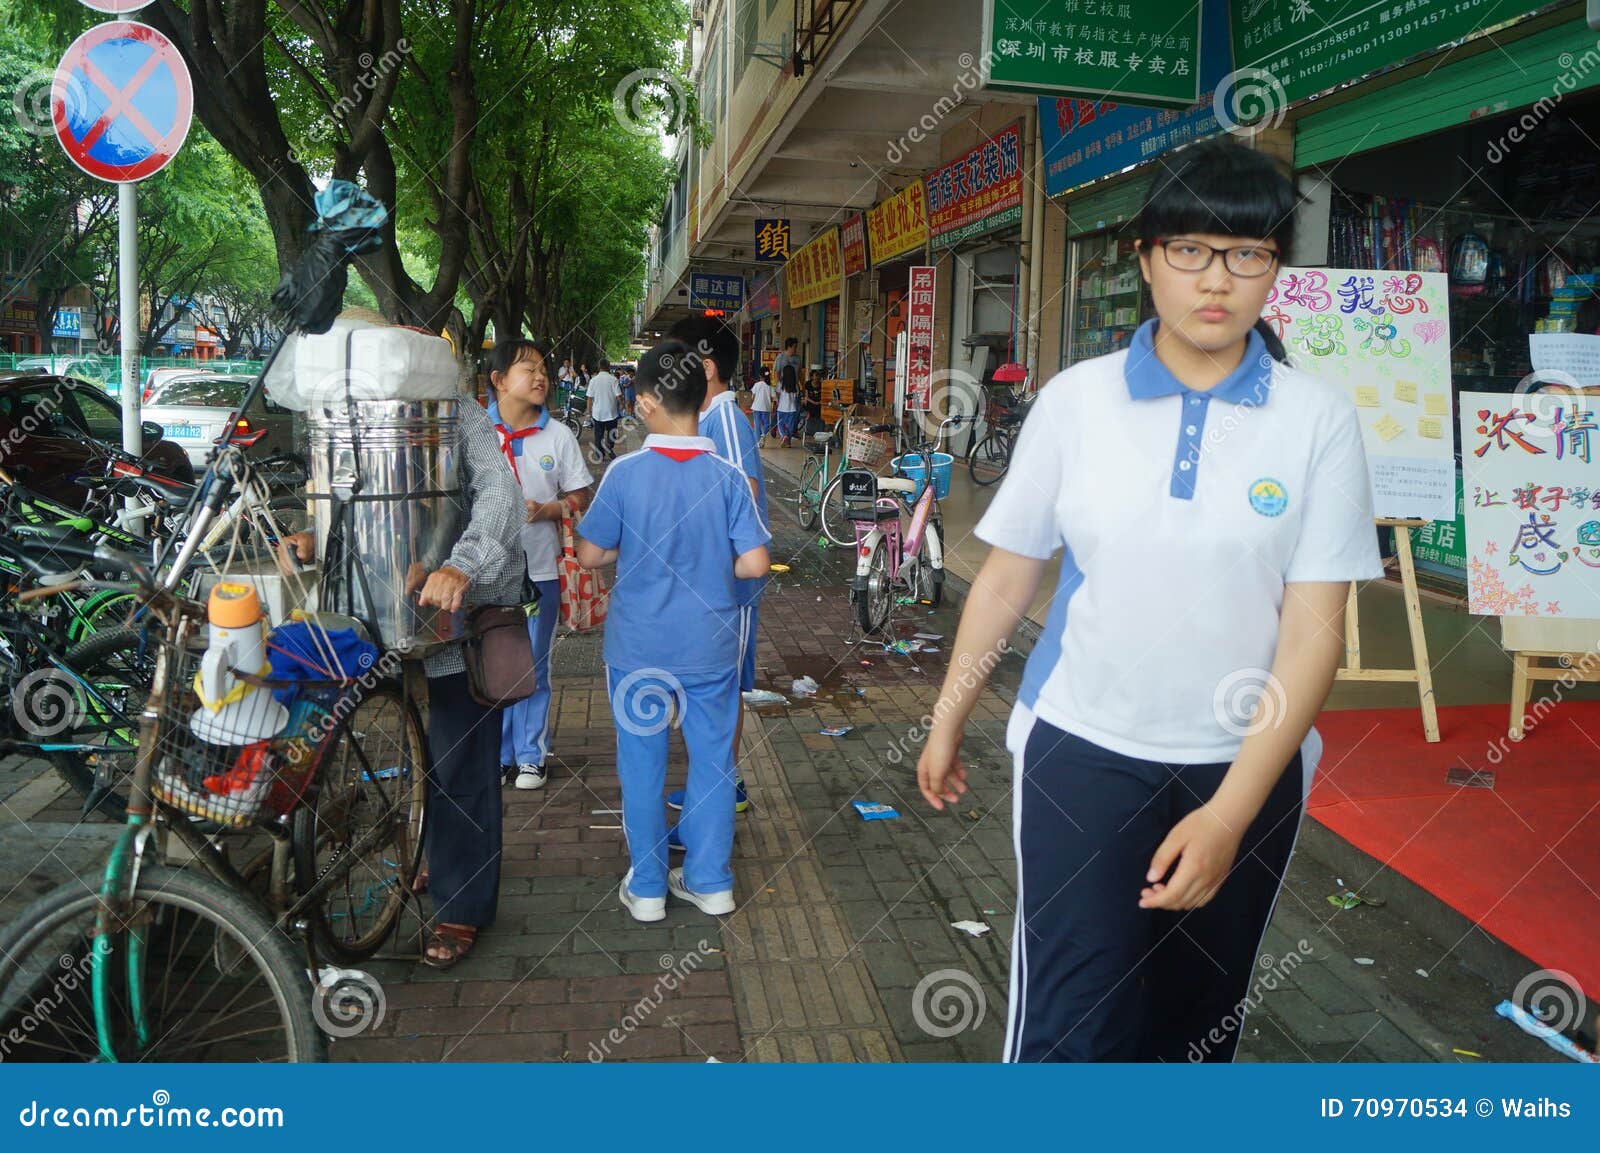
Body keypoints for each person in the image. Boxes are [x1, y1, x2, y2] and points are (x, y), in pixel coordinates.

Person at [916, 138, 1382, 1062]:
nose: (1219, 279)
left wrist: (1227, 814)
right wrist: (945, 718)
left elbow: (1313, 630)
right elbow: (1009, 576)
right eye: (1191, 250)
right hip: (1083, 751)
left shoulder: (1317, 419)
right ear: (1145, 257)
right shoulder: (1076, 402)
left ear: (1274, 268)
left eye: (1248, 253)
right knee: (1072, 1027)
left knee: (1195, 1029)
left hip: (1243, 764)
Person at [281, 311, 524, 971]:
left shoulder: (460, 415)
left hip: (455, 615)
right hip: (370, 614)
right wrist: (313, 538)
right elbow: (336, 496)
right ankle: (429, 856)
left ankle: (462, 906)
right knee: (406, 756)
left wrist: (460, 566)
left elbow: (502, 498)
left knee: (458, 763)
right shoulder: (343, 417)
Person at [575, 339, 771, 920]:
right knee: (713, 762)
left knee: (643, 764)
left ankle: (650, 889)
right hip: (711, 648)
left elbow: (590, 554)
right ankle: (711, 883)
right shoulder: (729, 474)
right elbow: (756, 564)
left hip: (639, 651)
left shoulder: (625, 474)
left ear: (645, 403)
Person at [666, 314, 768, 824]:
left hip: (730, 589)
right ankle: (716, 779)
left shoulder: (725, 421)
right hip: (713, 585)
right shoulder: (707, 420)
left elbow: (742, 496)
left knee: (722, 687)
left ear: (705, 368)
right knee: (710, 685)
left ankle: (725, 785)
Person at [486, 338, 594, 791]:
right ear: (498, 380)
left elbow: (580, 496)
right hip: (486, 574)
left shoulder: (559, 435)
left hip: (542, 572)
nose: (540, 376)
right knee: (491, 663)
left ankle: (530, 753)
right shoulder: (475, 432)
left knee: (532, 663)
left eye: (543, 368)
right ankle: (499, 752)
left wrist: (547, 510)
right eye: (526, 368)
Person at [587, 358, 623, 462]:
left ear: (599, 367)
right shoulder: (613, 379)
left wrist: (589, 412)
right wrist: (622, 404)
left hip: (597, 413)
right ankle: (610, 447)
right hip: (611, 412)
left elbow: (589, 398)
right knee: (612, 433)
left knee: (598, 435)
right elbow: (618, 395)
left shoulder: (593, 380)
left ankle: (600, 455)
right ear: (608, 366)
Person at [749, 371, 775, 441]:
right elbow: (772, 398)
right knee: (766, 424)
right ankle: (763, 435)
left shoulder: (756, 385)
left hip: (756, 408)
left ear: (760, 376)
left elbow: (753, 397)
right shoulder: (770, 386)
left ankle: (758, 441)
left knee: (757, 424)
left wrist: (751, 403)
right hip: (766, 408)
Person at [776, 371, 799, 446]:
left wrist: (778, 402)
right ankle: (788, 441)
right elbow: (796, 396)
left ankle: (784, 436)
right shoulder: (795, 384)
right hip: (792, 408)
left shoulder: (780, 383)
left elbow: (778, 394)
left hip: (782, 408)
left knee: (780, 424)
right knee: (790, 426)